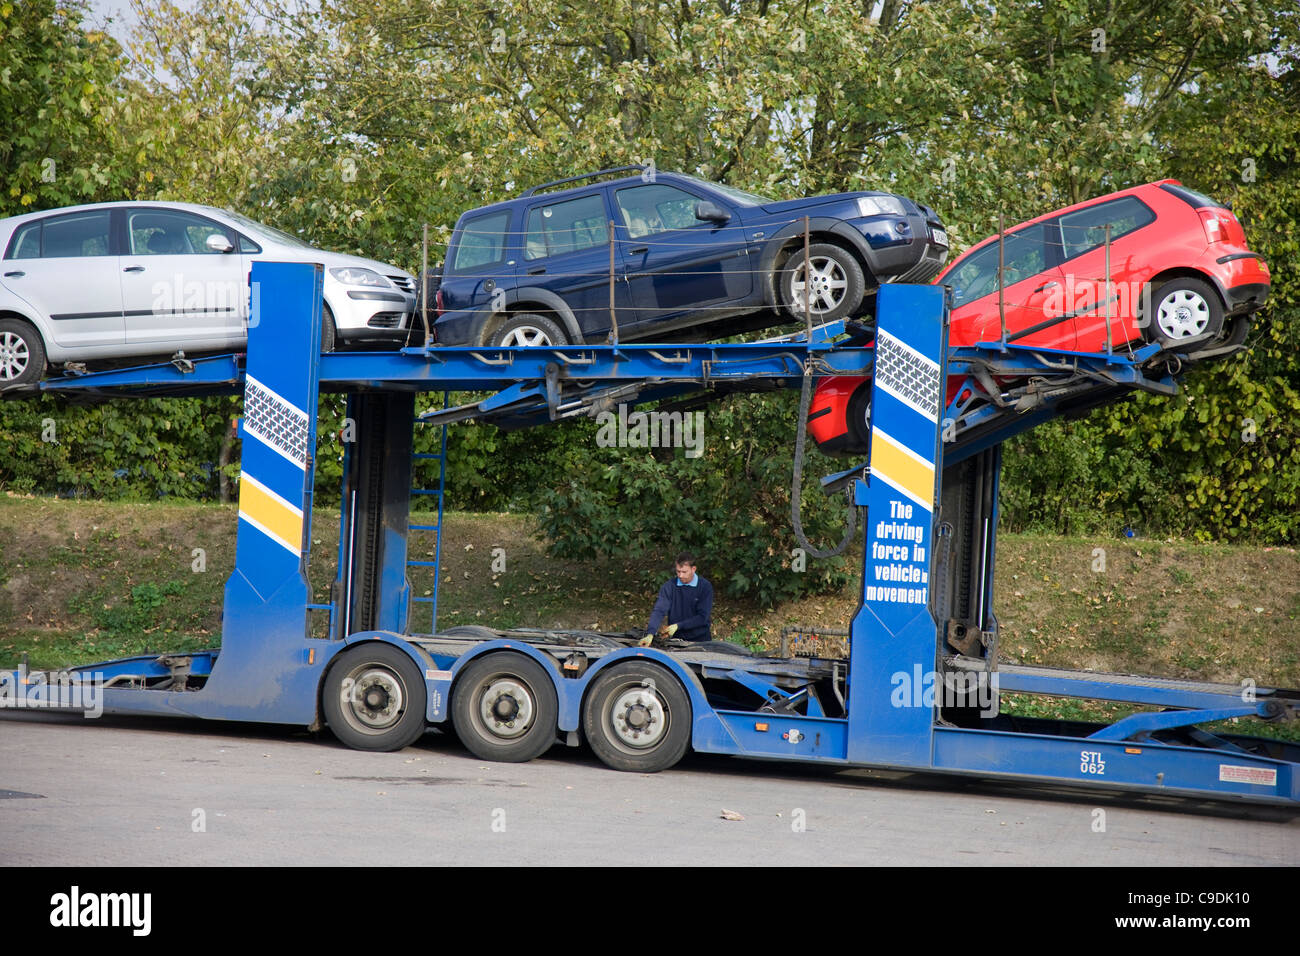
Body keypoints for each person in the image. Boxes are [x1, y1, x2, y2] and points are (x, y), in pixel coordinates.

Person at [640, 552, 713, 645]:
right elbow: (659, 611)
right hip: (676, 641)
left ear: (693, 569)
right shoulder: (669, 586)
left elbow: (702, 617)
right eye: (678, 571)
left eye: (684, 572)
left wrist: (679, 626)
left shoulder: (705, 586)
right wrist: (650, 633)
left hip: (701, 640)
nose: (680, 575)